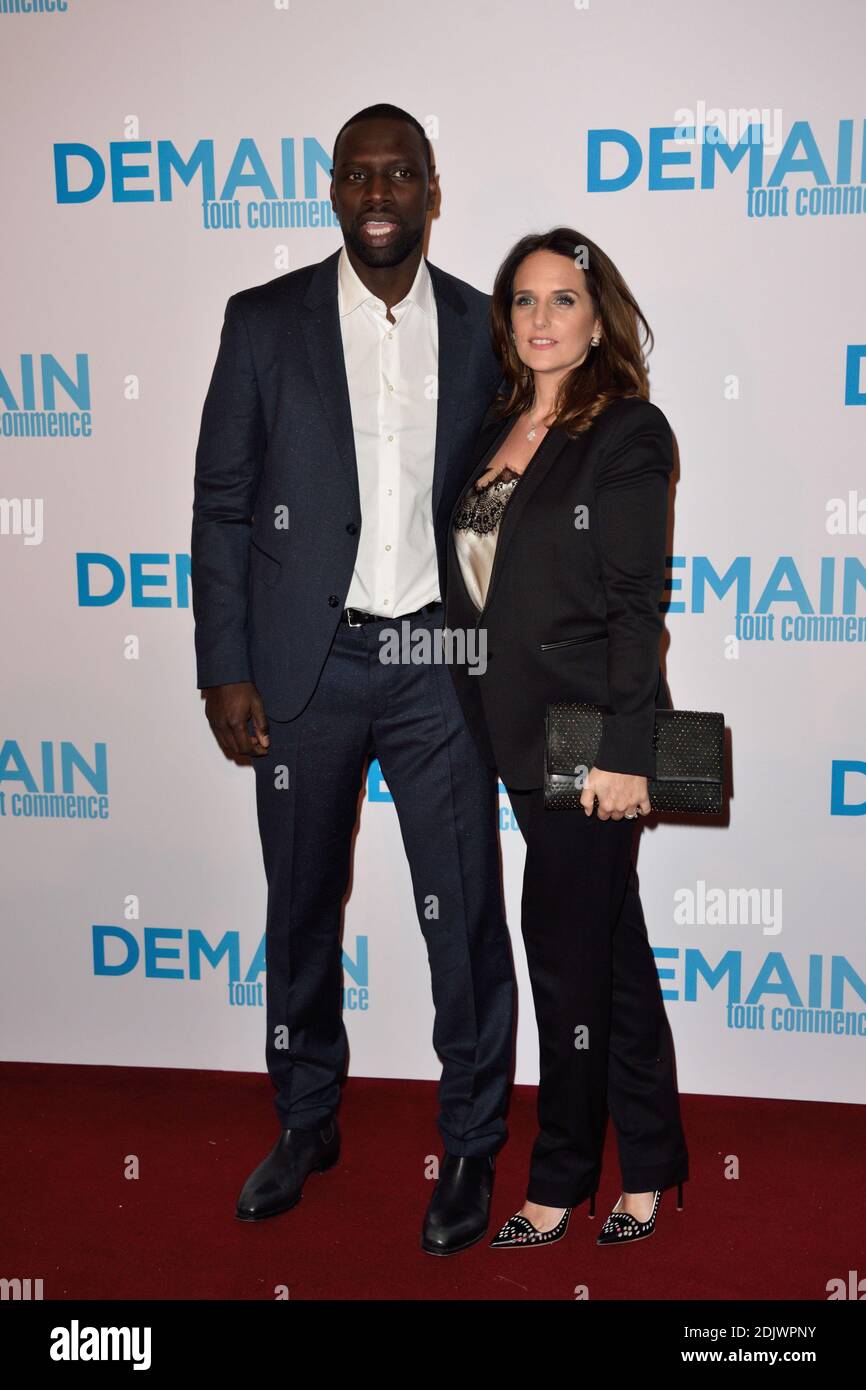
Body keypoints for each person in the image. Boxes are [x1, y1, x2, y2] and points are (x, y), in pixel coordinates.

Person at [191, 104, 515, 1256]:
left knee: (462, 914)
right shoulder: (263, 321)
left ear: (432, 188)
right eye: (356, 173)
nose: (377, 191)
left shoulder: (486, 329)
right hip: (306, 665)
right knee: (298, 909)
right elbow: (224, 504)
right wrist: (223, 666)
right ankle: (306, 1117)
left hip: (436, 658)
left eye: (399, 173)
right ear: (331, 189)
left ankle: (471, 1143)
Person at [446, 227, 689, 1248]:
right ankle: (655, 1161)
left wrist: (627, 752)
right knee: (609, 952)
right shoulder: (490, 425)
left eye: (561, 300)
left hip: (592, 740)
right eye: (522, 302)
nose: (539, 318)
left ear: (597, 321)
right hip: (505, 734)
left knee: (560, 954)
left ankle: (557, 1180)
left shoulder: (627, 432)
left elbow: (639, 606)